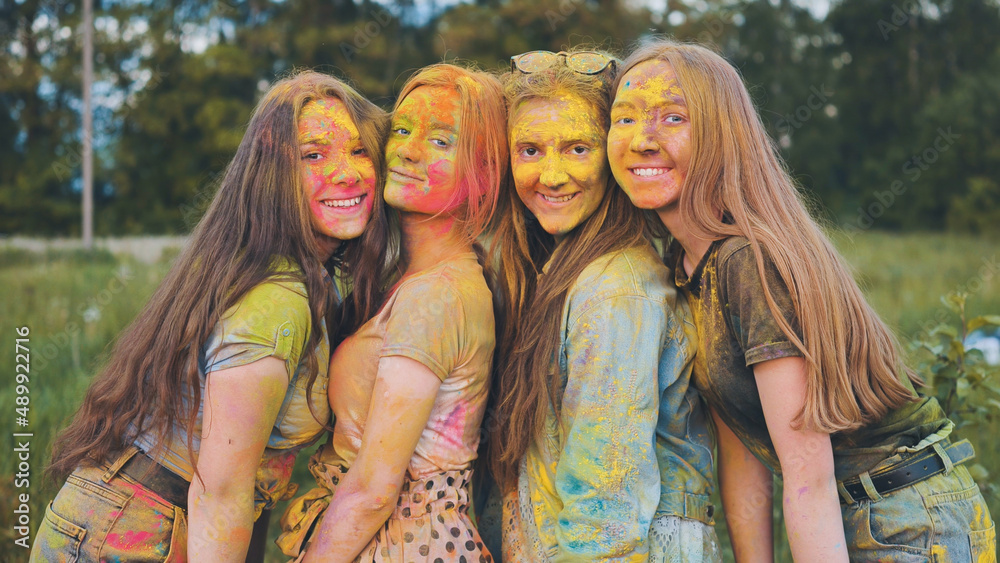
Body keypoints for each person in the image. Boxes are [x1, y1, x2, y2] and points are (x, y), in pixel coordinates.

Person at [608, 38, 997, 561]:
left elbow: (807, 474)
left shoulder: (749, 262)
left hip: (909, 520)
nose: (642, 140)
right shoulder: (688, 271)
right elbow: (744, 454)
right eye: (624, 118)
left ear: (725, 137)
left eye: (673, 118)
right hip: (856, 515)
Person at [31, 70, 391, 562]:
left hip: (144, 518)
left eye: (358, 149)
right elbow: (219, 494)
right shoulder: (275, 302)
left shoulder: (287, 270)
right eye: (313, 155)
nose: (346, 171)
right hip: (134, 532)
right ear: (271, 175)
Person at [486, 49, 719, 562]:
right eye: (529, 151)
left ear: (612, 156)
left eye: (576, 149)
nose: (550, 176)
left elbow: (605, 507)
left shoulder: (615, 291)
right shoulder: (560, 271)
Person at [276, 63, 507, 562]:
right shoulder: (414, 281)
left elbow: (374, 490)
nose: (407, 149)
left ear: (485, 173)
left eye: (443, 142)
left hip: (403, 544)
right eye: (401, 130)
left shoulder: (436, 296)